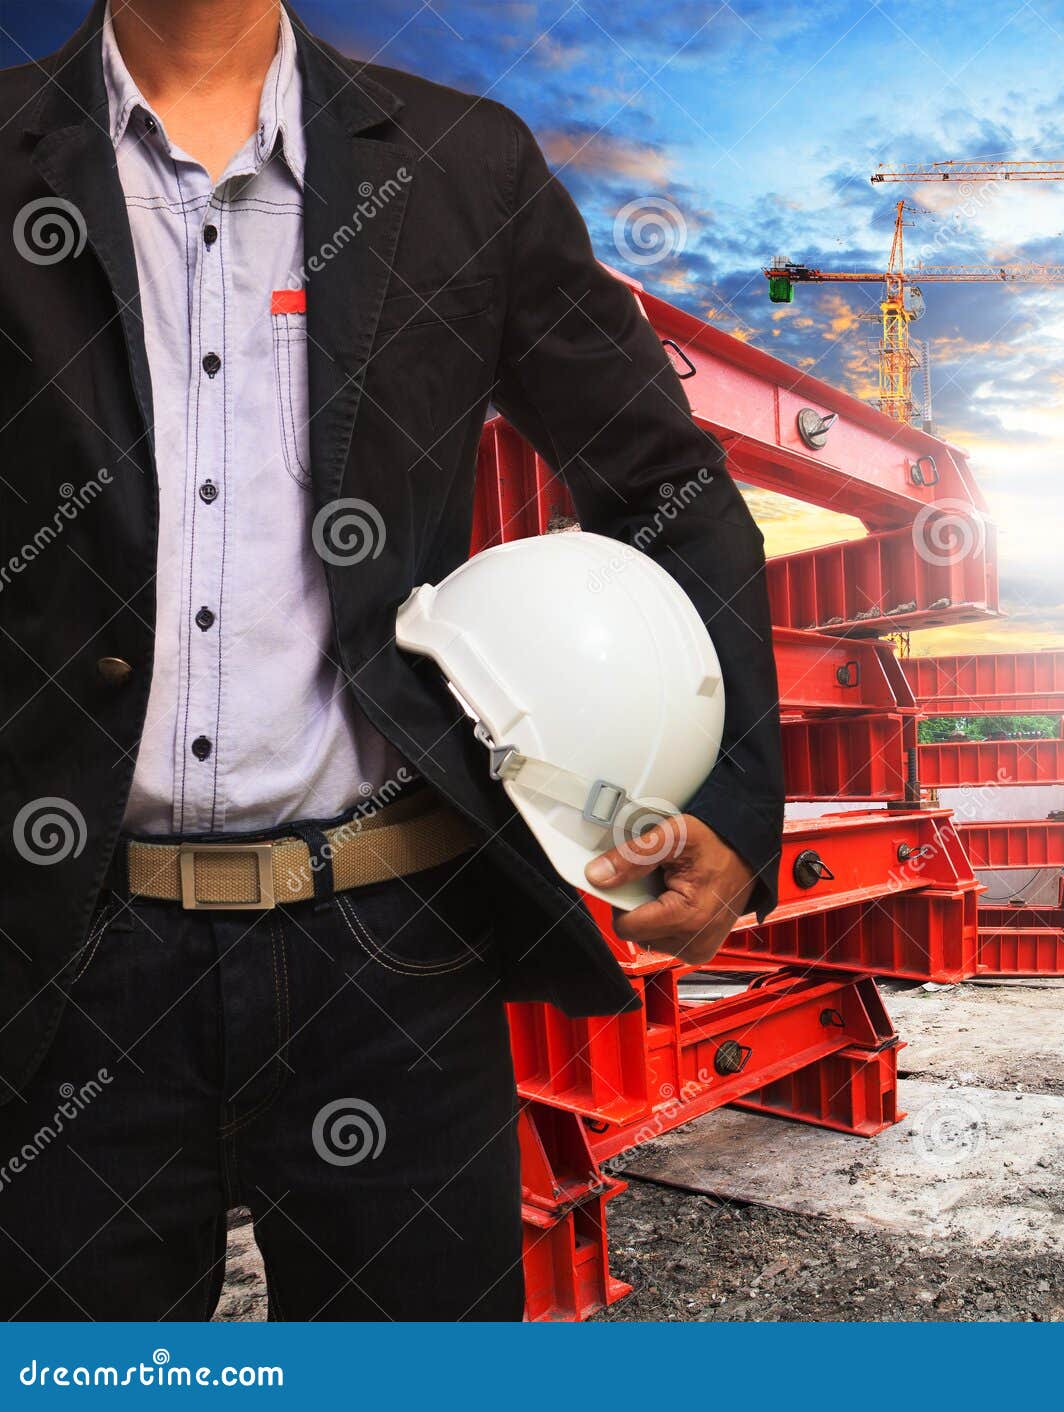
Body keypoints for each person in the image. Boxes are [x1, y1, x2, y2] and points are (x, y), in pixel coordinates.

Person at [0, 0, 782, 1320]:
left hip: (393, 955)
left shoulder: (464, 163)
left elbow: (664, 482)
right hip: (67, 957)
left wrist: (731, 797)